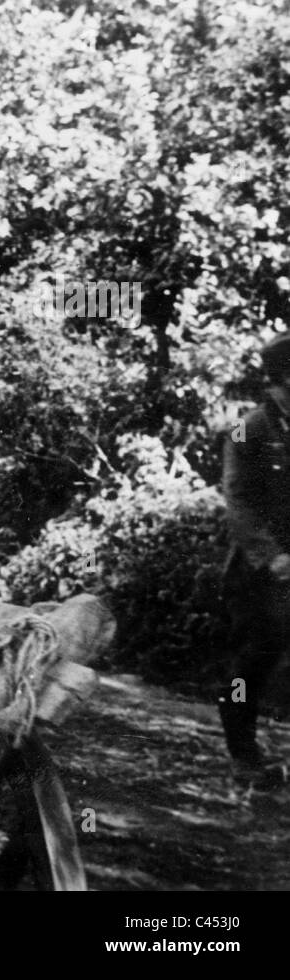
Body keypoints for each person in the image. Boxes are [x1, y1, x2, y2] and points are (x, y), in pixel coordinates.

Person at [218, 331, 290, 791]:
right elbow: (238, 499)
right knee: (255, 662)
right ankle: (244, 755)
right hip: (264, 574)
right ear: (282, 380)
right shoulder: (249, 428)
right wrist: (273, 556)